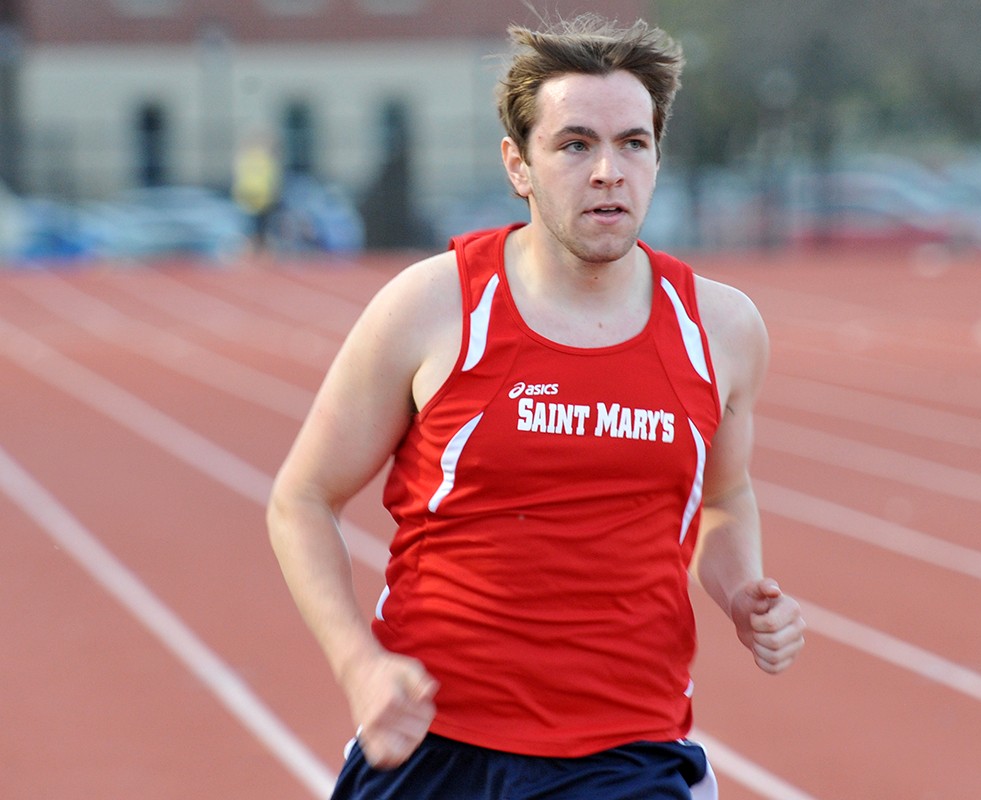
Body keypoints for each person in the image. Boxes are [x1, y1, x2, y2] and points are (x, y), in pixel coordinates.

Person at [267, 14, 806, 800]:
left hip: (628, 754)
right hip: (436, 746)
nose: (608, 172)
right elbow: (302, 499)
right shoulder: (432, 306)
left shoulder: (720, 330)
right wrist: (360, 665)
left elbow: (723, 495)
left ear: (657, 158)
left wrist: (742, 588)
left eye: (633, 144)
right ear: (518, 165)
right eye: (576, 144)